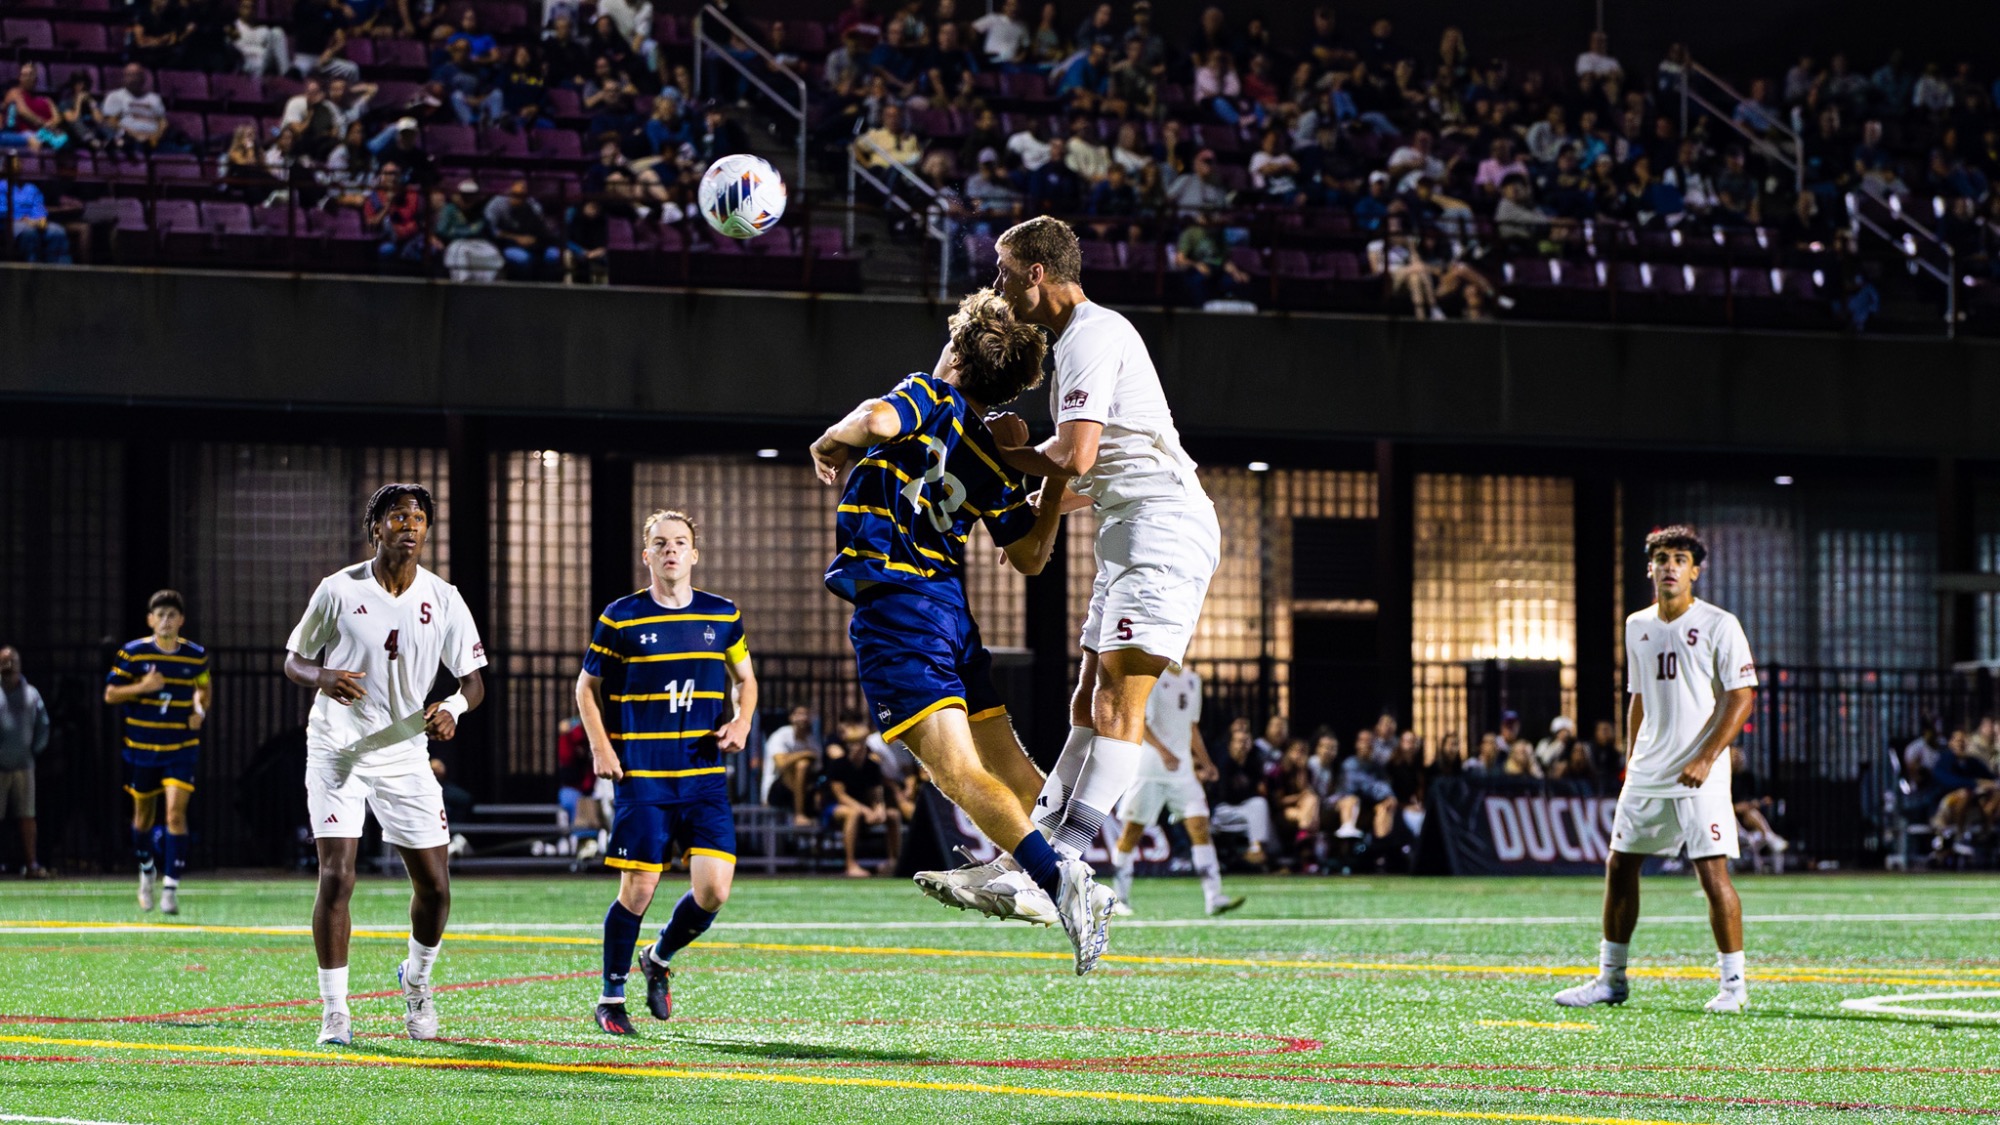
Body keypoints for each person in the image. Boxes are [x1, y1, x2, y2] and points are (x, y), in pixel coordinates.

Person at [809, 290, 1109, 973]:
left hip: (898, 610)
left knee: (957, 772)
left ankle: (1058, 880)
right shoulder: (989, 451)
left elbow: (877, 420)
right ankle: (1067, 869)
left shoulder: (929, 392)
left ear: (958, 354)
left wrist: (828, 440)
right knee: (1008, 765)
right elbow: (1030, 555)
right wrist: (1053, 480)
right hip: (948, 613)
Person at [979, 216, 1222, 895]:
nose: (998, 284)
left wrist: (1004, 454)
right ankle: (1028, 858)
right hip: (1130, 527)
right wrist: (1032, 507)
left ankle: (1059, 866)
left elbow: (1075, 456)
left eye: (1004, 271)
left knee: (1116, 702)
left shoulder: (1091, 333)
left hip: (1162, 528)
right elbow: (1091, 474)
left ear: (1036, 273)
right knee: (1088, 701)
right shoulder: (1076, 343)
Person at [282, 484, 487, 1046]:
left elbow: (473, 683)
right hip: (338, 748)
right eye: (398, 516)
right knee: (337, 875)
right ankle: (335, 1011)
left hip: (404, 751)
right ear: (376, 527)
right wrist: (323, 676)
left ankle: (416, 982)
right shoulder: (339, 589)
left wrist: (453, 708)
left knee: (436, 887)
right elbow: (295, 661)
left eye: (418, 518)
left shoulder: (444, 597)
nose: (409, 525)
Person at [1555, 525, 1758, 1015]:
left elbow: (1742, 697)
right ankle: (1611, 979)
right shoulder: (1637, 625)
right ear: (1650, 567)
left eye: (1680, 559)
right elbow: (1639, 697)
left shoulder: (1720, 624)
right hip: (1650, 769)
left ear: (1695, 571)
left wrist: (1706, 757)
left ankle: (1733, 986)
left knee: (1711, 871)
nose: (1671, 566)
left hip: (1700, 770)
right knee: (1620, 863)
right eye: (1663, 558)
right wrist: (1633, 760)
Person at [575, 509, 757, 1035]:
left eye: (680, 542)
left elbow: (746, 679)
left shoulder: (723, 615)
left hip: (703, 776)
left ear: (694, 554)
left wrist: (742, 721)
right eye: (660, 543)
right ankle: (611, 998)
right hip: (645, 776)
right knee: (638, 889)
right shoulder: (621, 617)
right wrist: (601, 747)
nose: (670, 550)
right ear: (647, 555)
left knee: (714, 892)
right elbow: (586, 687)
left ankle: (657, 956)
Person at [103, 590, 211, 914]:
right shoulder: (133, 653)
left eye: (171, 615)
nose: (166, 620)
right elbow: (110, 694)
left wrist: (199, 711)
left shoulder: (195, 656)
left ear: (181, 620)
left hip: (181, 748)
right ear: (150, 620)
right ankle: (146, 870)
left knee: (175, 814)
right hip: (142, 750)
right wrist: (143, 687)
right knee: (142, 820)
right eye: (160, 615)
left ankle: (170, 889)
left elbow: (203, 689)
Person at [1108, 665, 1242, 917]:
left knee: (1200, 826)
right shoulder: (1152, 677)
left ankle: (1214, 897)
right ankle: (1119, 898)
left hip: (1182, 771)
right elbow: (1140, 723)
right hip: (1149, 770)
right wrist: (1164, 752)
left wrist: (1206, 762)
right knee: (1132, 832)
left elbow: (1192, 727)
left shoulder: (1193, 680)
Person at [0, 647, 50, 879]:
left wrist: (33, 750)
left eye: (12, 661)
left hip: (24, 765)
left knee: (27, 816)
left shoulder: (31, 694)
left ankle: (32, 864)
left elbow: (43, 725)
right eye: (4, 661)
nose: (8, 665)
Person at [823, 736, 900, 877]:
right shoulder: (838, 764)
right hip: (835, 806)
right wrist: (866, 811)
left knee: (893, 815)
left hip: (865, 807)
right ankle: (850, 864)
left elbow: (876, 794)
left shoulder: (872, 766)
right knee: (854, 813)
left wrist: (879, 809)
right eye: (853, 745)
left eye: (860, 745)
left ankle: (894, 862)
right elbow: (841, 796)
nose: (857, 748)